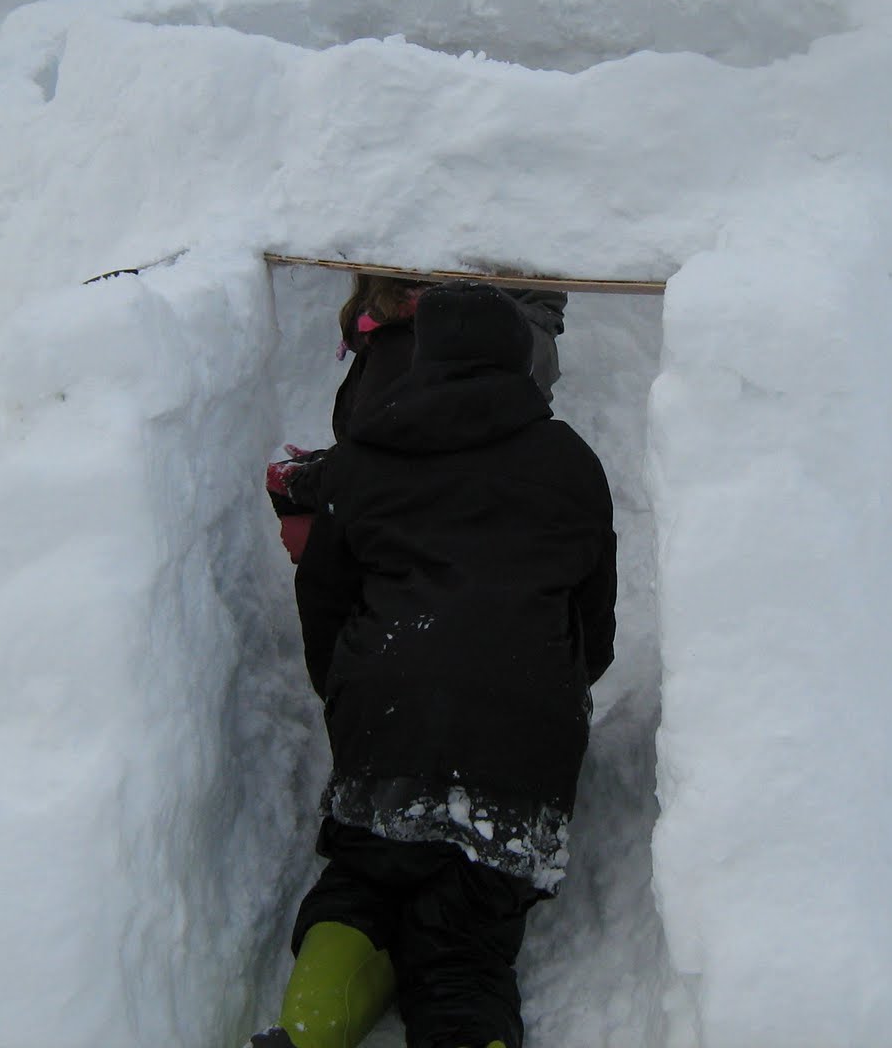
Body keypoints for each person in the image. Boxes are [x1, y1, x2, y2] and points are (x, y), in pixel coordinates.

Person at [250, 281, 617, 1048]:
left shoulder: (362, 460)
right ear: (519, 357)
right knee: (464, 944)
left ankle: (305, 1034)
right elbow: (596, 631)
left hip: (385, 719)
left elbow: (323, 602)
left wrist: (350, 697)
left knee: (361, 883)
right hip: (520, 742)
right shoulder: (570, 462)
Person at [266, 273, 568, 562]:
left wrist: (322, 475)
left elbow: (392, 461)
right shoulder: (561, 455)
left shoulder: (403, 349)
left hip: (412, 550)